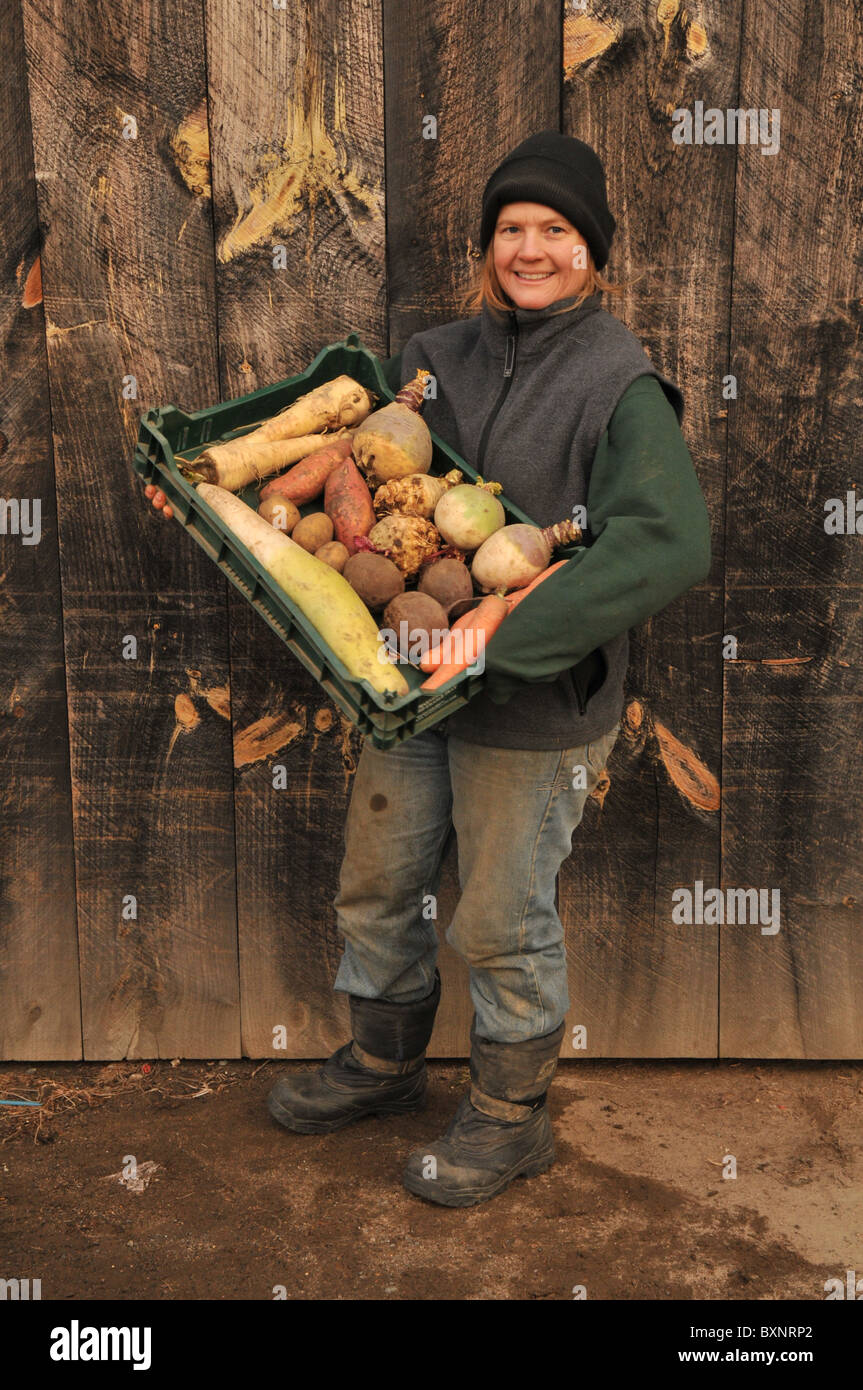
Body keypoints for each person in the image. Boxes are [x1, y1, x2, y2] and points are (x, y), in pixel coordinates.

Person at [146, 132, 712, 1209]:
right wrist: (209, 493)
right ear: (486, 243)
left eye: (555, 231)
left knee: (500, 915)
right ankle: (381, 1062)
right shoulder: (431, 357)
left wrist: (501, 634)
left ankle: (508, 1117)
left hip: (536, 705)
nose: (530, 248)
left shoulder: (618, 381)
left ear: (590, 251)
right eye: (512, 229)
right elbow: (346, 485)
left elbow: (666, 541)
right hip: (405, 690)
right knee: (377, 885)